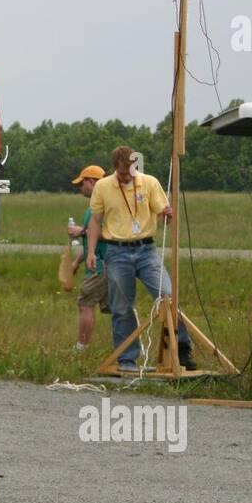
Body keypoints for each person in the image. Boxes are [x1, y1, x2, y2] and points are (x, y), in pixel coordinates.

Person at [85, 146, 197, 372]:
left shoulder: (150, 182)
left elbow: (162, 212)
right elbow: (95, 222)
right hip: (117, 252)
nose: (126, 177)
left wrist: (167, 215)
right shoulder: (103, 187)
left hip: (146, 250)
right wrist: (91, 252)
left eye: (130, 172)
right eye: (122, 173)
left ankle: (182, 350)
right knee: (122, 307)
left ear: (135, 166)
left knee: (168, 296)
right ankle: (127, 359)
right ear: (115, 168)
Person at [68, 164, 110, 351]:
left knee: (85, 304)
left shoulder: (105, 204)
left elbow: (109, 233)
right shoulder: (93, 206)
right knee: (115, 308)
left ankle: (81, 348)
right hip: (101, 264)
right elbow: (91, 241)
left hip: (102, 265)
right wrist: (76, 262)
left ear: (91, 182)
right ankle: (131, 345)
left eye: (81, 183)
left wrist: (81, 231)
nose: (79, 188)